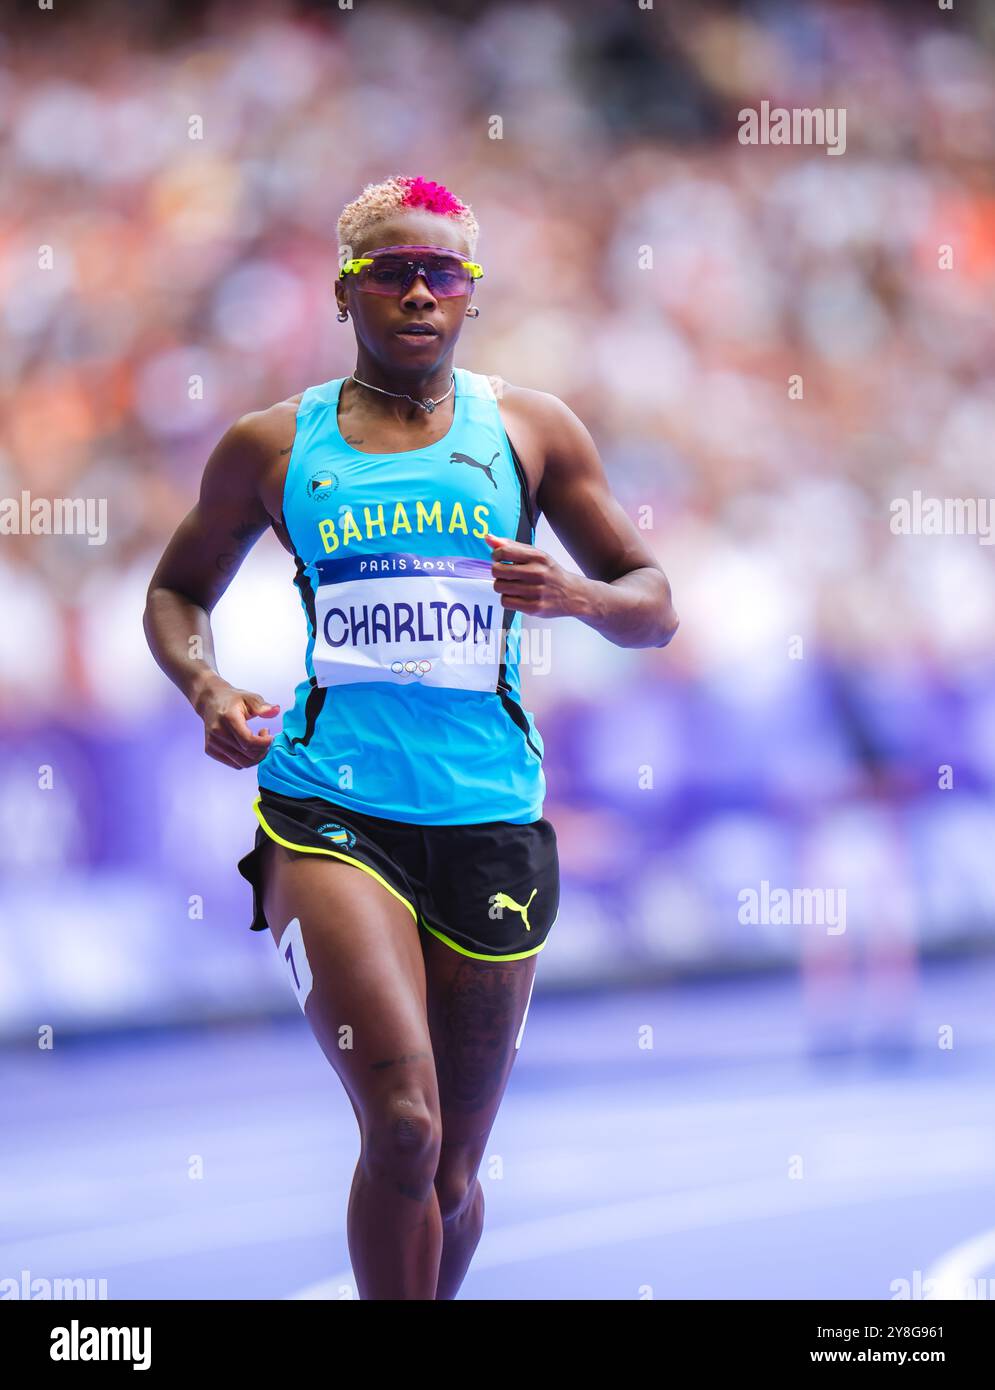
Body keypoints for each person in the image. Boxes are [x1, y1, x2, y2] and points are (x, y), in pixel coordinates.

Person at [144, 174, 678, 1299]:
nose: (420, 290)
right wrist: (204, 689)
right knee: (399, 1123)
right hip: (329, 812)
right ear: (346, 290)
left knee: (449, 1173)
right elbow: (175, 593)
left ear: (470, 297)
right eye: (392, 270)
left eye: (443, 272)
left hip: (487, 818)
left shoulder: (530, 430)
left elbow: (653, 600)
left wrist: (575, 597)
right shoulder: (271, 446)